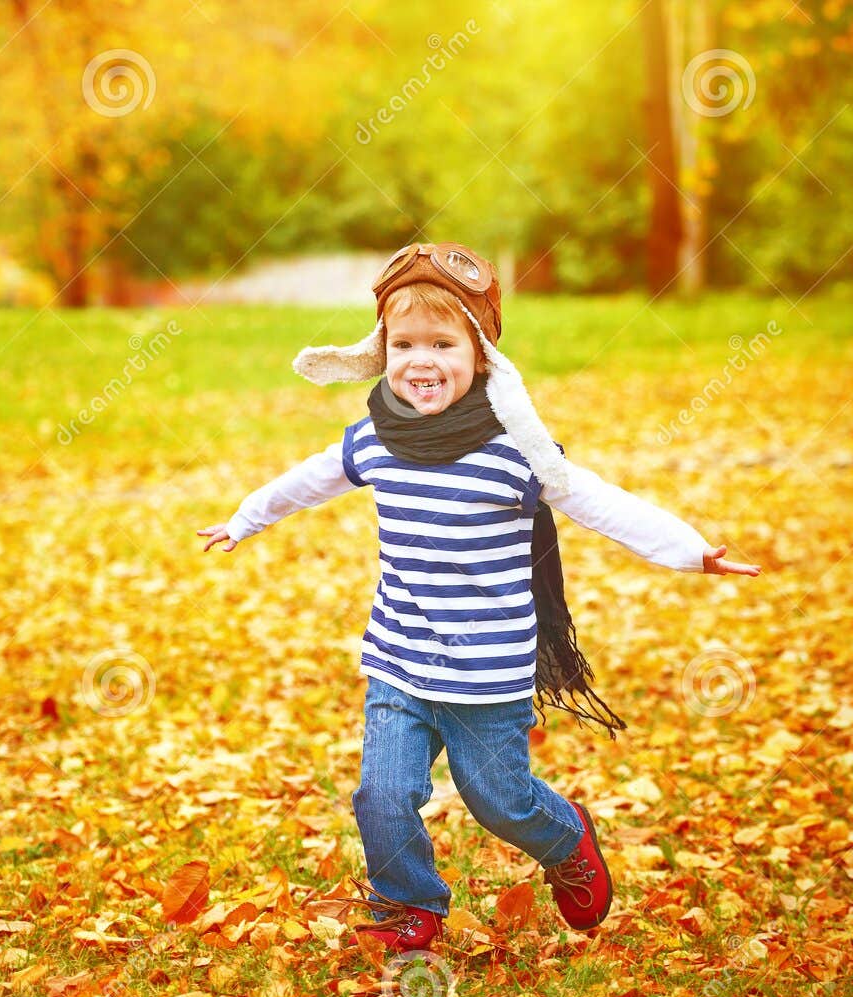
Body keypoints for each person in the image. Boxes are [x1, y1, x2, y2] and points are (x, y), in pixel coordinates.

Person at [196, 242, 760, 951]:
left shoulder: (515, 453)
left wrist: (689, 549)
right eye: (403, 344)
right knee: (381, 796)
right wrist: (247, 517)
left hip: (488, 676)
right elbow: (308, 478)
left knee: (501, 801)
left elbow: (595, 501)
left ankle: (566, 839)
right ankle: (411, 903)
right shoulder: (377, 438)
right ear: (381, 350)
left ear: (481, 353)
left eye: (441, 342)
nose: (420, 360)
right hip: (399, 661)